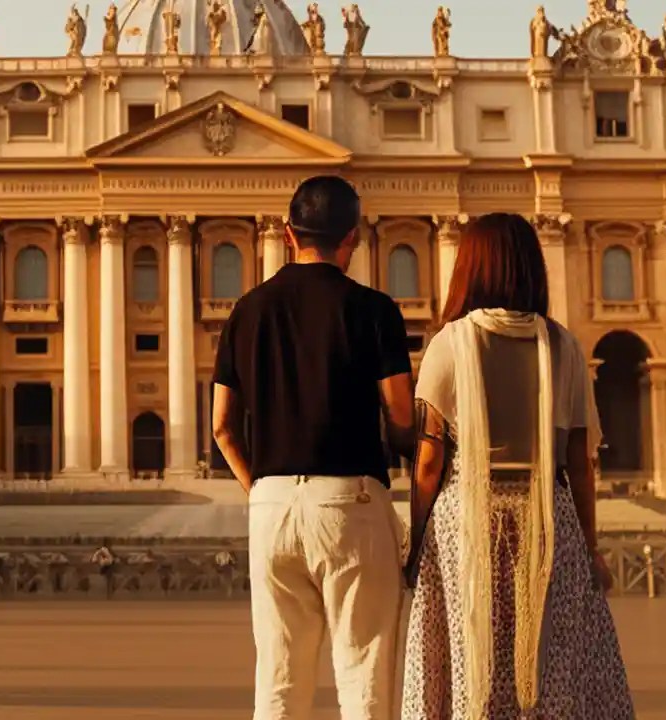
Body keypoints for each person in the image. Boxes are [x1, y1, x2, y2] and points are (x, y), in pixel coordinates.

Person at [401, 213, 634, 719]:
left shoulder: (449, 344)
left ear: (469, 268)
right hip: (549, 519)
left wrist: (416, 541)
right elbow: (581, 463)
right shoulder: (565, 347)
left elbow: (428, 464)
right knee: (552, 659)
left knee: (471, 656)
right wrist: (591, 547)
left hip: (466, 521)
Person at [212, 175, 414, 720]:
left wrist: (262, 489)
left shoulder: (245, 311)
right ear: (352, 238)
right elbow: (399, 421)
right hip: (350, 501)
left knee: (279, 679)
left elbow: (223, 428)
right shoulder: (375, 310)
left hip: (272, 506)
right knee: (365, 676)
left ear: (287, 234)